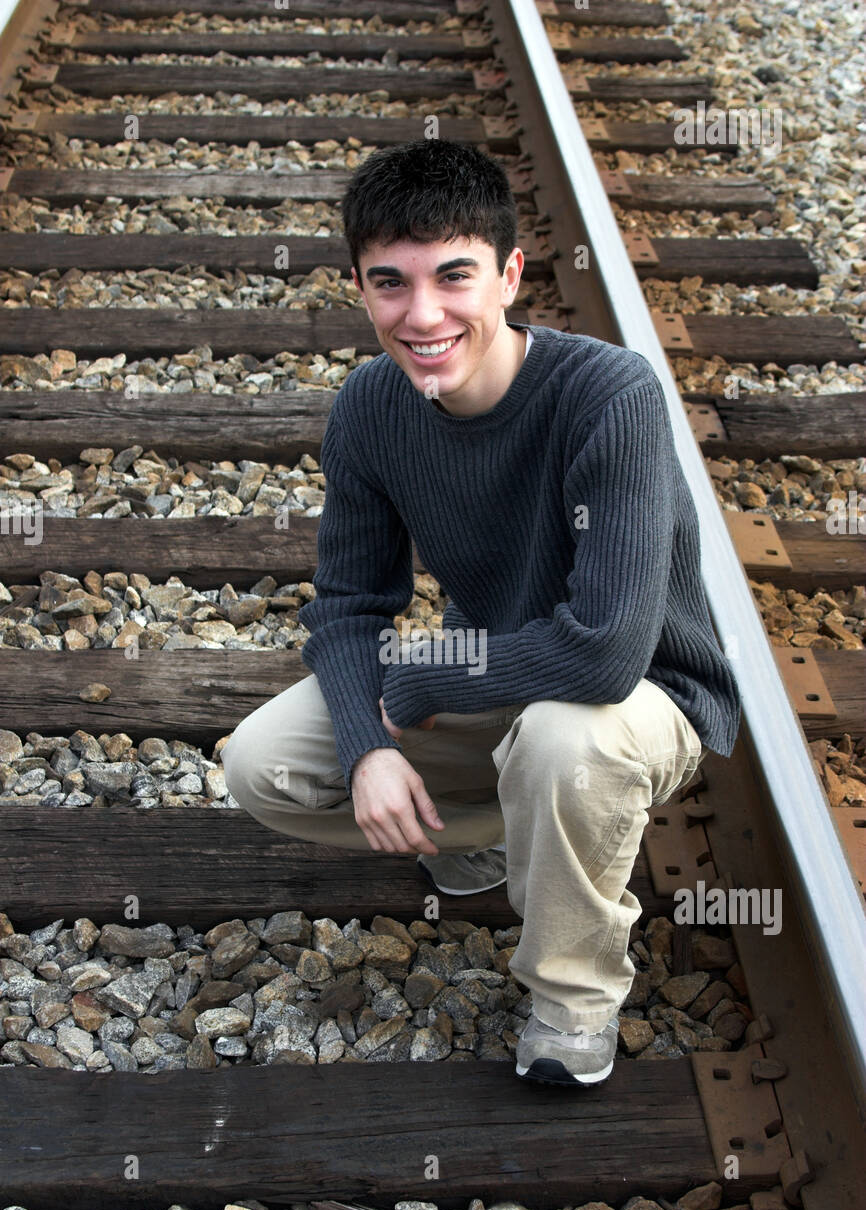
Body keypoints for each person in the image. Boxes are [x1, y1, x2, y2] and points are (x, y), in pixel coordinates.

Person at [222, 138, 741, 1087]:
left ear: (508, 275)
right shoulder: (372, 408)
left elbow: (607, 653)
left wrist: (423, 680)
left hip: (641, 690)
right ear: (361, 288)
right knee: (264, 769)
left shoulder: (606, 394)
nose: (423, 316)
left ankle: (573, 997)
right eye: (391, 284)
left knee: (562, 744)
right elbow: (346, 608)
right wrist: (367, 748)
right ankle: (499, 832)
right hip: (495, 665)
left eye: (454, 276)